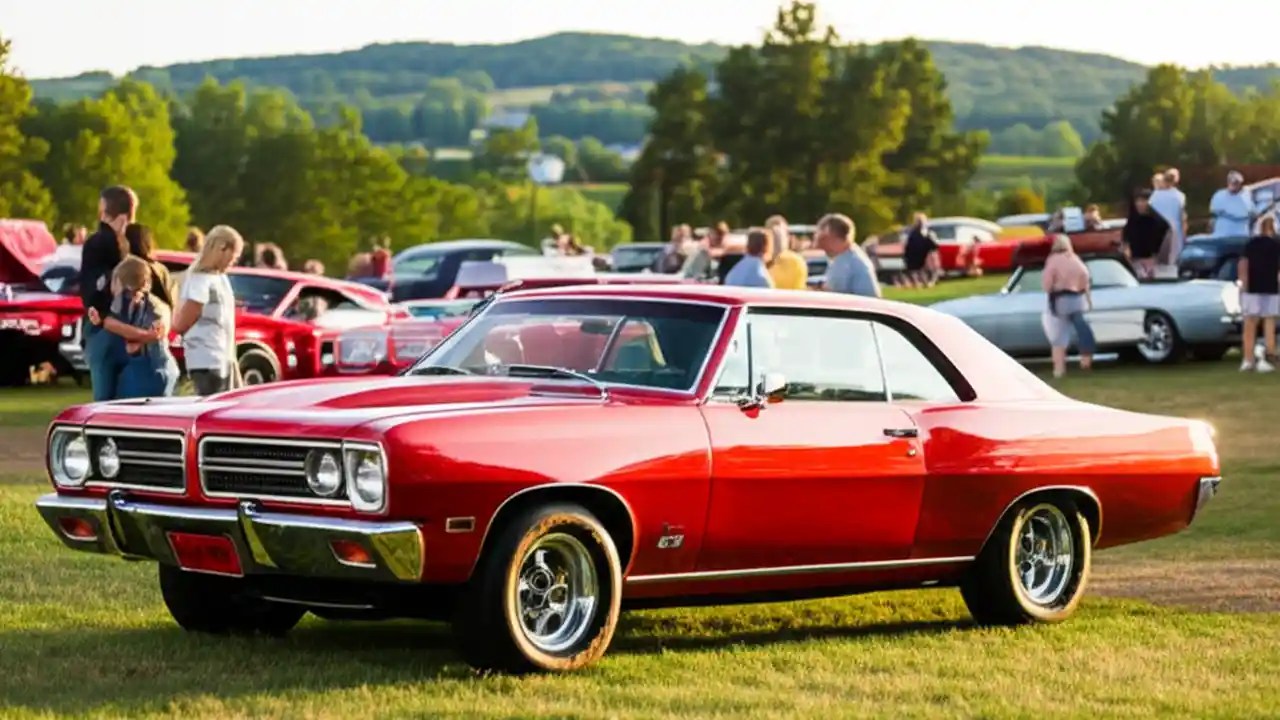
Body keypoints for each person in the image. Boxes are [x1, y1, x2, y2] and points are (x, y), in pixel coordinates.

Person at [88, 256, 178, 398]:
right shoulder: (157, 305)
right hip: (163, 369)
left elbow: (156, 333)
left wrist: (107, 324)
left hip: (146, 371)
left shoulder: (144, 305)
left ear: (119, 281)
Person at [81, 185, 138, 402]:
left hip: (102, 325)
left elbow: (90, 289)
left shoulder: (98, 242)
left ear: (106, 209)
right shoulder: (135, 243)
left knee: (104, 398)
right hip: (134, 326)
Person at [174, 225, 244, 396]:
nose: (233, 262)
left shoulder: (220, 277)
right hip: (206, 359)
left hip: (224, 357)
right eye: (233, 256)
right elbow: (184, 320)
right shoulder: (200, 280)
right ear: (222, 249)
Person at [1041, 234, 1095, 378]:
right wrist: (1088, 299)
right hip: (1077, 300)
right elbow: (1085, 276)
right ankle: (1086, 361)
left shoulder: (1053, 260)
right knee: (1082, 330)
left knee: (1058, 337)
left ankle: (1059, 369)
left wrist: (1051, 286)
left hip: (1060, 301)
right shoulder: (1075, 259)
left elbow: (1047, 284)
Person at [1237, 215, 1279, 373]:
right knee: (1269, 322)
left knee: (1250, 323)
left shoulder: (1250, 244)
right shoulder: (1277, 244)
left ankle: (1248, 359)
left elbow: (1243, 264)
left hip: (1252, 288)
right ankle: (1269, 356)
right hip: (1271, 288)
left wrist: (1243, 284)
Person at [816, 213, 880, 297]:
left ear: (830, 236)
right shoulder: (848, 257)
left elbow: (831, 297)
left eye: (821, 237)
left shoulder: (846, 263)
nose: (819, 243)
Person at [1121, 189, 1172, 279]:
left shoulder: (1159, 223)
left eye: (1144, 201)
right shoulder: (1132, 222)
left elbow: (1164, 243)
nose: (1140, 204)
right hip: (1135, 262)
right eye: (1138, 201)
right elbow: (1126, 239)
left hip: (1155, 263)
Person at [1150, 168, 1187, 274]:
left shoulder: (1154, 196)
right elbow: (1182, 217)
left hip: (1157, 229)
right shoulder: (1180, 196)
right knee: (1173, 260)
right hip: (1175, 229)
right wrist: (1184, 234)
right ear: (1176, 181)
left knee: (1158, 260)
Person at [764, 215, 808, 290]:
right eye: (774, 233)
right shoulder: (797, 261)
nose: (777, 237)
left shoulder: (796, 261)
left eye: (779, 234)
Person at [1210, 171, 1256, 239]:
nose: (1234, 185)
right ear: (1228, 182)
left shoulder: (1246, 197)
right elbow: (1214, 213)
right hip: (1222, 236)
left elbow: (1253, 213)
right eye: (1232, 182)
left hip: (1241, 236)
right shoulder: (1219, 195)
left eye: (1236, 183)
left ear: (1240, 184)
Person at [903, 213, 940, 288]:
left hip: (926, 252)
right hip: (918, 254)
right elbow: (910, 245)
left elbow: (933, 244)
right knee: (919, 269)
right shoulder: (914, 233)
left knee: (928, 268)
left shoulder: (926, 232)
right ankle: (923, 282)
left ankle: (928, 282)